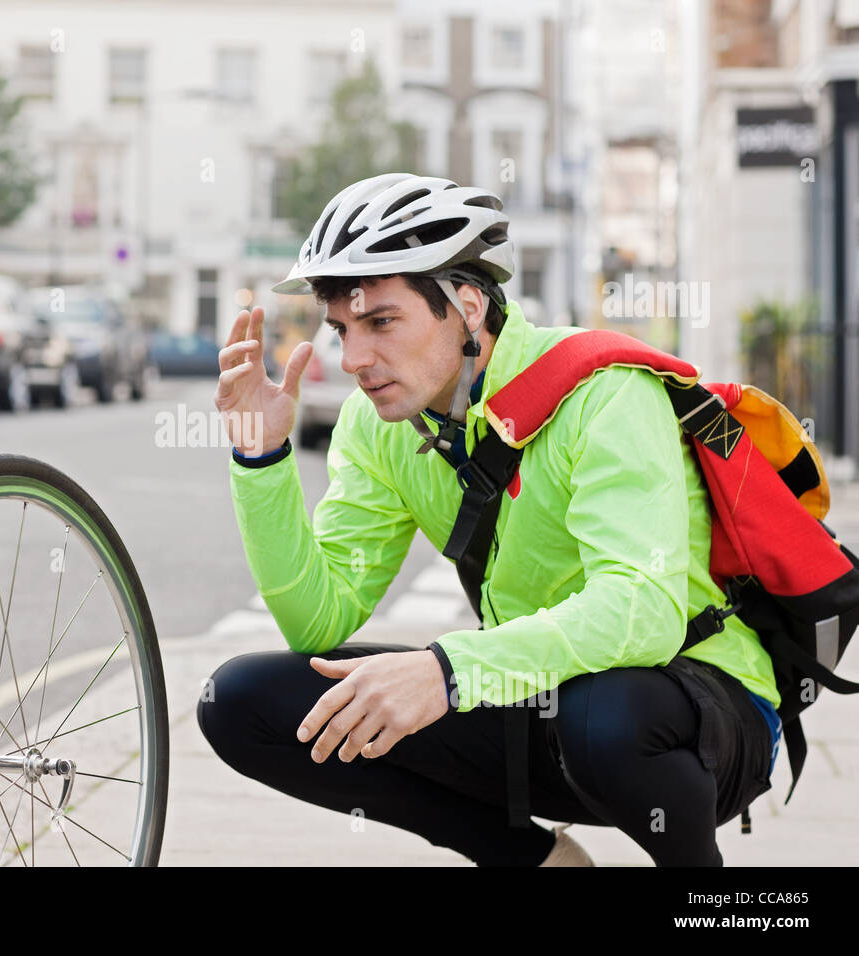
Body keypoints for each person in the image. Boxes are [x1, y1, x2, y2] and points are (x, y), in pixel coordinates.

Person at [198, 172, 782, 866]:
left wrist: (446, 672)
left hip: (698, 716)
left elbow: (642, 612)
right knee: (242, 701)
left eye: (381, 322)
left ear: (466, 305)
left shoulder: (606, 396)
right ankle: (534, 860)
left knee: (605, 713)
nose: (354, 359)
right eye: (342, 329)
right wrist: (261, 458)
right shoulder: (379, 423)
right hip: (534, 704)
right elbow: (318, 624)